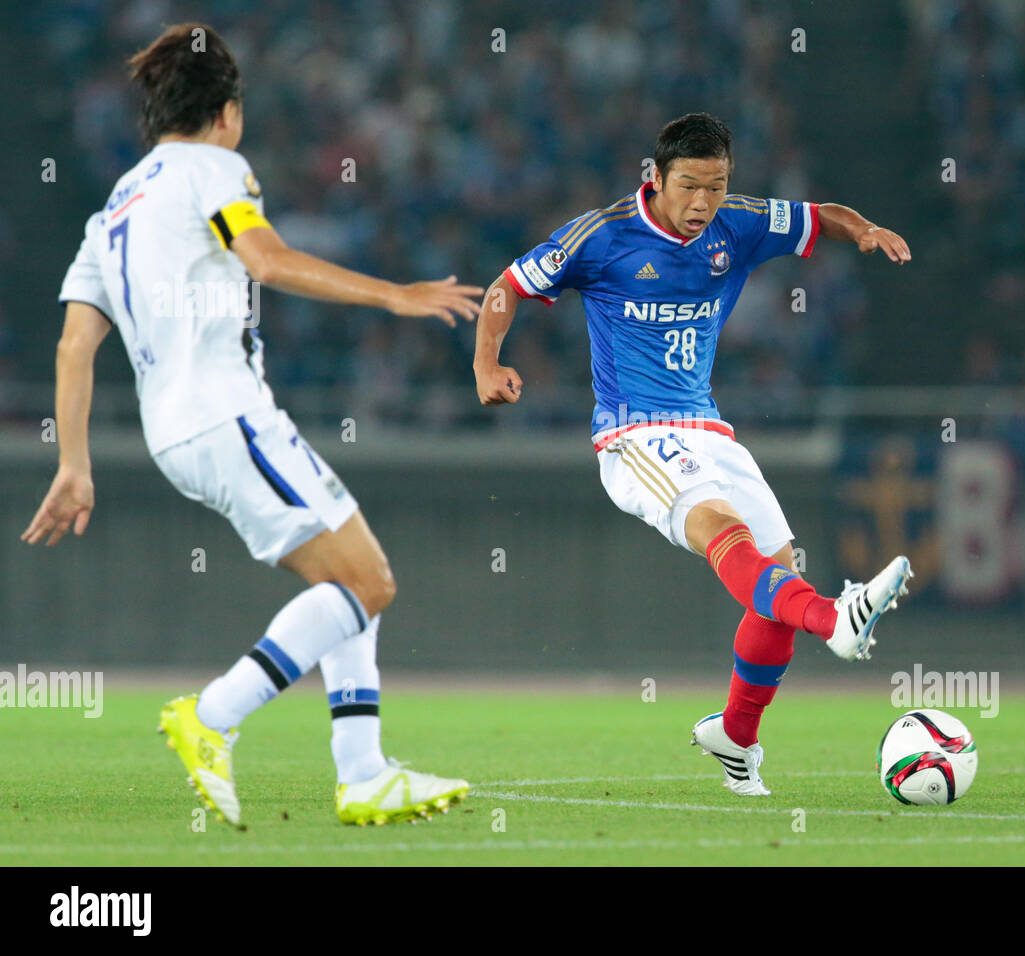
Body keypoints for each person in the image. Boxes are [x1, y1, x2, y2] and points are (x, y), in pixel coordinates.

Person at [21, 23, 479, 827]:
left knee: (344, 577)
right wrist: (394, 294)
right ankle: (213, 715)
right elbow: (265, 260)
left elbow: (73, 345)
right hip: (227, 415)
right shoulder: (217, 168)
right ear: (227, 112)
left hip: (176, 437)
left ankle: (364, 770)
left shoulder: (114, 210)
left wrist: (75, 463)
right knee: (369, 584)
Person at [473, 112, 915, 796]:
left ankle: (736, 736)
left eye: (716, 185)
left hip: (709, 431)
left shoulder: (736, 223)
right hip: (633, 436)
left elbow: (818, 215)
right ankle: (837, 618)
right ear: (655, 178)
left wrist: (864, 231)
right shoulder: (602, 235)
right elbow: (508, 286)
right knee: (723, 532)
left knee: (778, 577)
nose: (702, 203)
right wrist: (485, 366)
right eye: (689, 186)